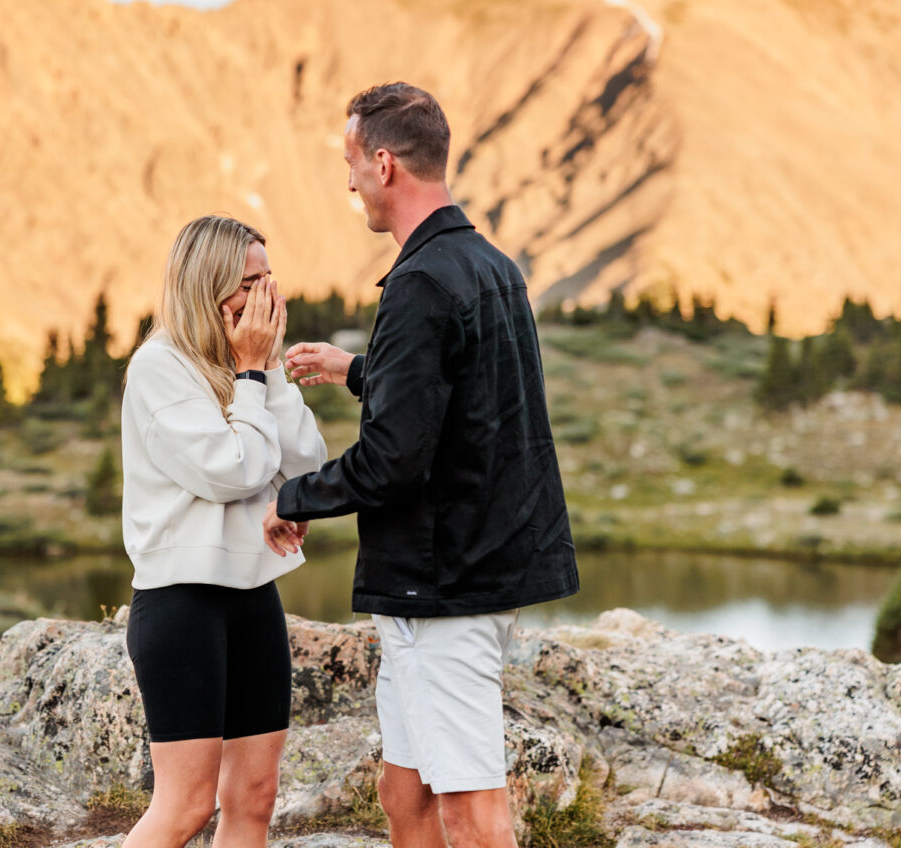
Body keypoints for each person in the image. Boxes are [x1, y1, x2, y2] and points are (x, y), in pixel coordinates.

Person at [264, 83, 579, 848]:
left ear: (383, 162)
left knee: (473, 813)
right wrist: (360, 371)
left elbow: (392, 462)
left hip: (444, 592)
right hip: (470, 571)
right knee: (404, 794)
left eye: (350, 164)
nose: (348, 183)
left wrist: (295, 496)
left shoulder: (419, 283)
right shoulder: (489, 265)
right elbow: (469, 399)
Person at [119, 214, 328, 848]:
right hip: (182, 602)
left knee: (255, 798)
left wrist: (268, 373)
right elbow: (234, 472)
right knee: (185, 806)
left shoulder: (250, 368)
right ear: (208, 288)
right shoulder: (160, 367)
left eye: (269, 278)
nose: (266, 295)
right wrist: (250, 374)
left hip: (252, 594)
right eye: (248, 282)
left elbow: (306, 463)